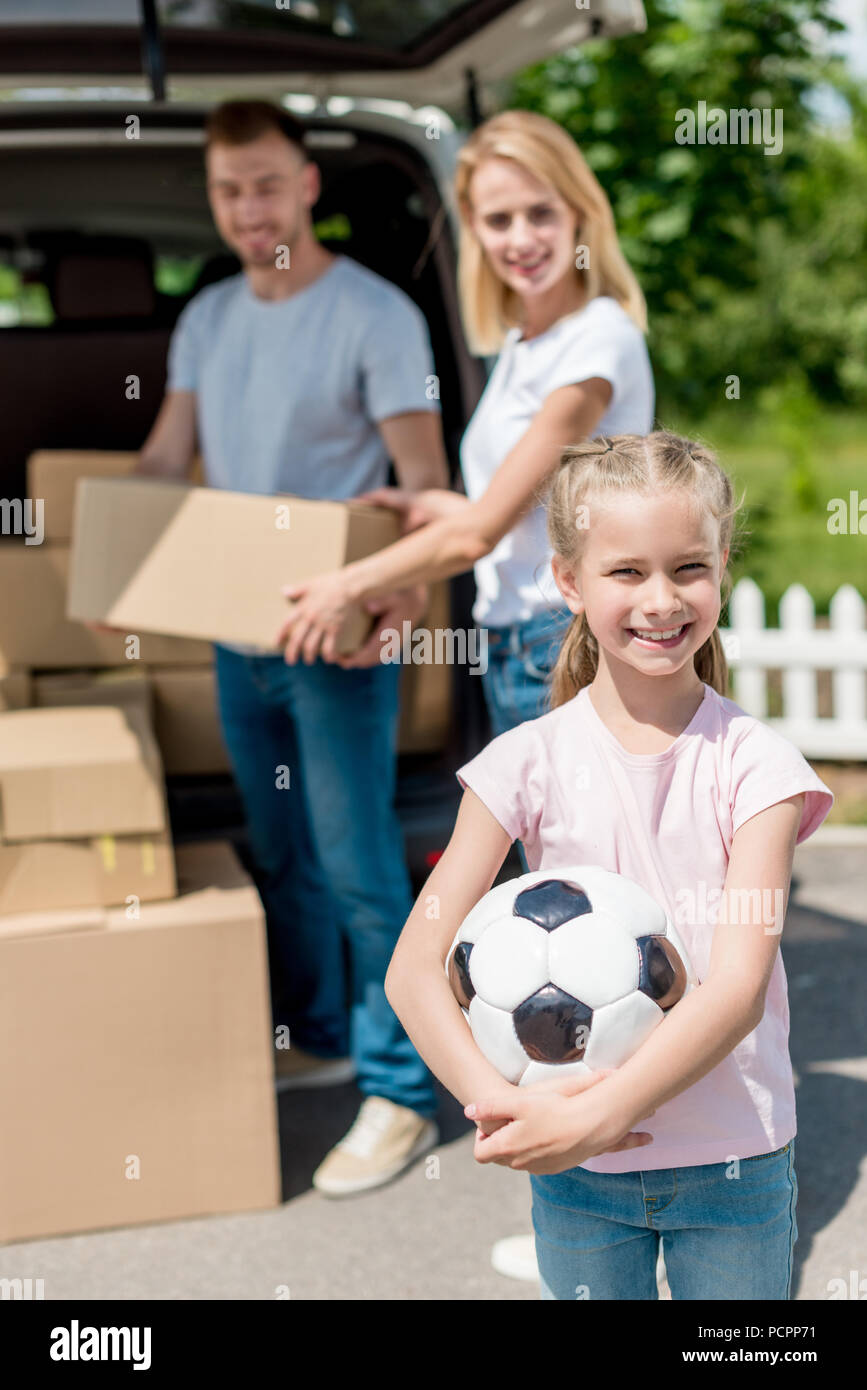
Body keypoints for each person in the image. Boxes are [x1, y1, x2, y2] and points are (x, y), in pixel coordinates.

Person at [383, 430, 834, 1300]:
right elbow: (413, 971)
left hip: (732, 1162)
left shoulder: (757, 766)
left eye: (687, 568)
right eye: (625, 572)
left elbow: (736, 991)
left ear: (721, 569)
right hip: (575, 1176)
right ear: (567, 581)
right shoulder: (522, 762)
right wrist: (510, 1111)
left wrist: (600, 1114)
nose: (660, 599)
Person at [134, 99, 450, 1196]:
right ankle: (318, 1032)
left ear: (308, 186)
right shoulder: (209, 319)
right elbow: (168, 454)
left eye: (266, 183)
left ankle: (402, 1093)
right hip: (239, 627)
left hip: (338, 632)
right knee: (284, 852)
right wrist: (108, 566)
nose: (247, 206)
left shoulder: (376, 315)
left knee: (360, 864)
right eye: (228, 189)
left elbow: (425, 487)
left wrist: (393, 593)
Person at [275, 110, 654, 760]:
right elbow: (517, 513)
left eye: (540, 213)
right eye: (498, 220)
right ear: (472, 228)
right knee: (551, 857)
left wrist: (347, 585)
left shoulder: (597, 341)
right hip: (517, 642)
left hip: (564, 641)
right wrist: (433, 509)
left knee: (583, 858)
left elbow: (479, 535)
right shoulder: (523, 344)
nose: (521, 238)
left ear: (578, 213)